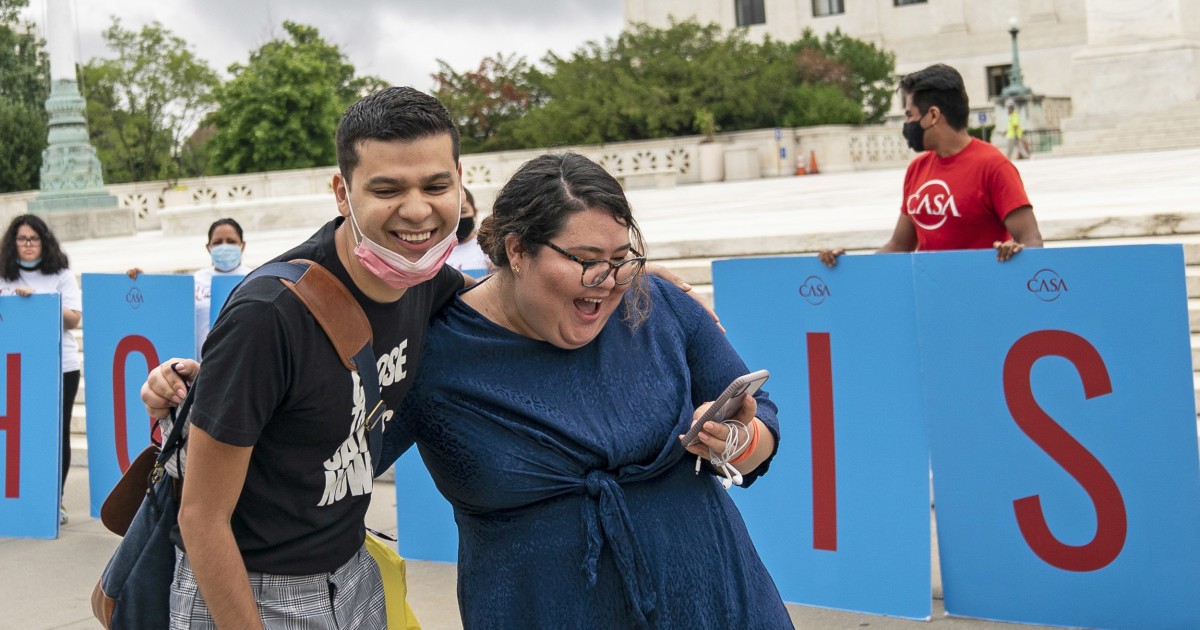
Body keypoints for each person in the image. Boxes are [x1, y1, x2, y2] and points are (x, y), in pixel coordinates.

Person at [136, 89, 710, 630]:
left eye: (436, 186)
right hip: (257, 589)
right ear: (343, 193)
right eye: (387, 190)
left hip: (353, 573)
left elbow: (504, 293)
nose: (417, 211)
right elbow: (201, 520)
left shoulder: (423, 281)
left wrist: (615, 274)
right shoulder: (269, 315)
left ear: (460, 184)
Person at [377, 152, 793, 628]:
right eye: (588, 261)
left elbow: (762, 421)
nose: (610, 281)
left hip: (719, 605)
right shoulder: (431, 353)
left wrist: (741, 441)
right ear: (517, 251)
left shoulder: (662, 307)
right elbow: (330, 477)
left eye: (621, 259)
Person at [819, 64, 1043, 267]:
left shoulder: (993, 166)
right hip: (929, 299)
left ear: (933, 115)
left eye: (909, 115)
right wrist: (847, 268)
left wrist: (1015, 253)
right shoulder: (917, 169)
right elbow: (899, 246)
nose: (907, 124)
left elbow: (1031, 239)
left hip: (980, 300)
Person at [0, 215, 82, 526]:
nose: (28, 245)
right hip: (15, 366)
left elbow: (74, 318)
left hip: (60, 366)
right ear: (13, 243)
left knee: (56, 434)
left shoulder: (59, 273)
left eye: (34, 239)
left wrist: (38, 303)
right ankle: (19, 498)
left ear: (44, 241)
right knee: (19, 432)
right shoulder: (3, 274)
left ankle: (55, 500)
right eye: (22, 239)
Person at [128, 218, 253, 359]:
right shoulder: (195, 280)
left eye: (231, 241)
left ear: (242, 245)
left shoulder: (254, 279)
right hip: (199, 365)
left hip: (239, 361)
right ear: (208, 247)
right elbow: (166, 308)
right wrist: (143, 283)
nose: (224, 247)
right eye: (218, 242)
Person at [446, 187, 490, 272]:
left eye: (462, 211)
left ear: (475, 213)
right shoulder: (432, 252)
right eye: (452, 213)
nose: (458, 218)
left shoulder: (489, 250)